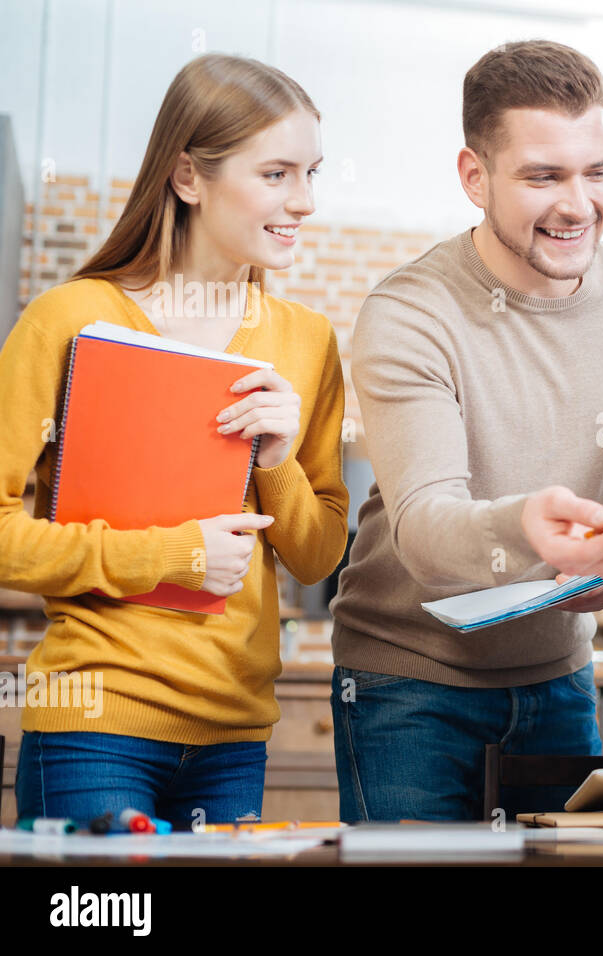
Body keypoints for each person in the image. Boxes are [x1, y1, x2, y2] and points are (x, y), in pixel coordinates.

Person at [328, 40, 603, 822]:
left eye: (597, 172)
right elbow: (428, 529)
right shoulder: (411, 313)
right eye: (543, 176)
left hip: (559, 676)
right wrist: (531, 531)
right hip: (407, 684)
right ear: (475, 176)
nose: (578, 204)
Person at [1, 54, 349, 828]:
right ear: (189, 176)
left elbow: (319, 555)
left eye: (312, 174)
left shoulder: (306, 341)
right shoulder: (71, 320)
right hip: (94, 725)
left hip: (234, 738)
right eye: (277, 174)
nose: (305, 201)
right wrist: (171, 554)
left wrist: (279, 463)